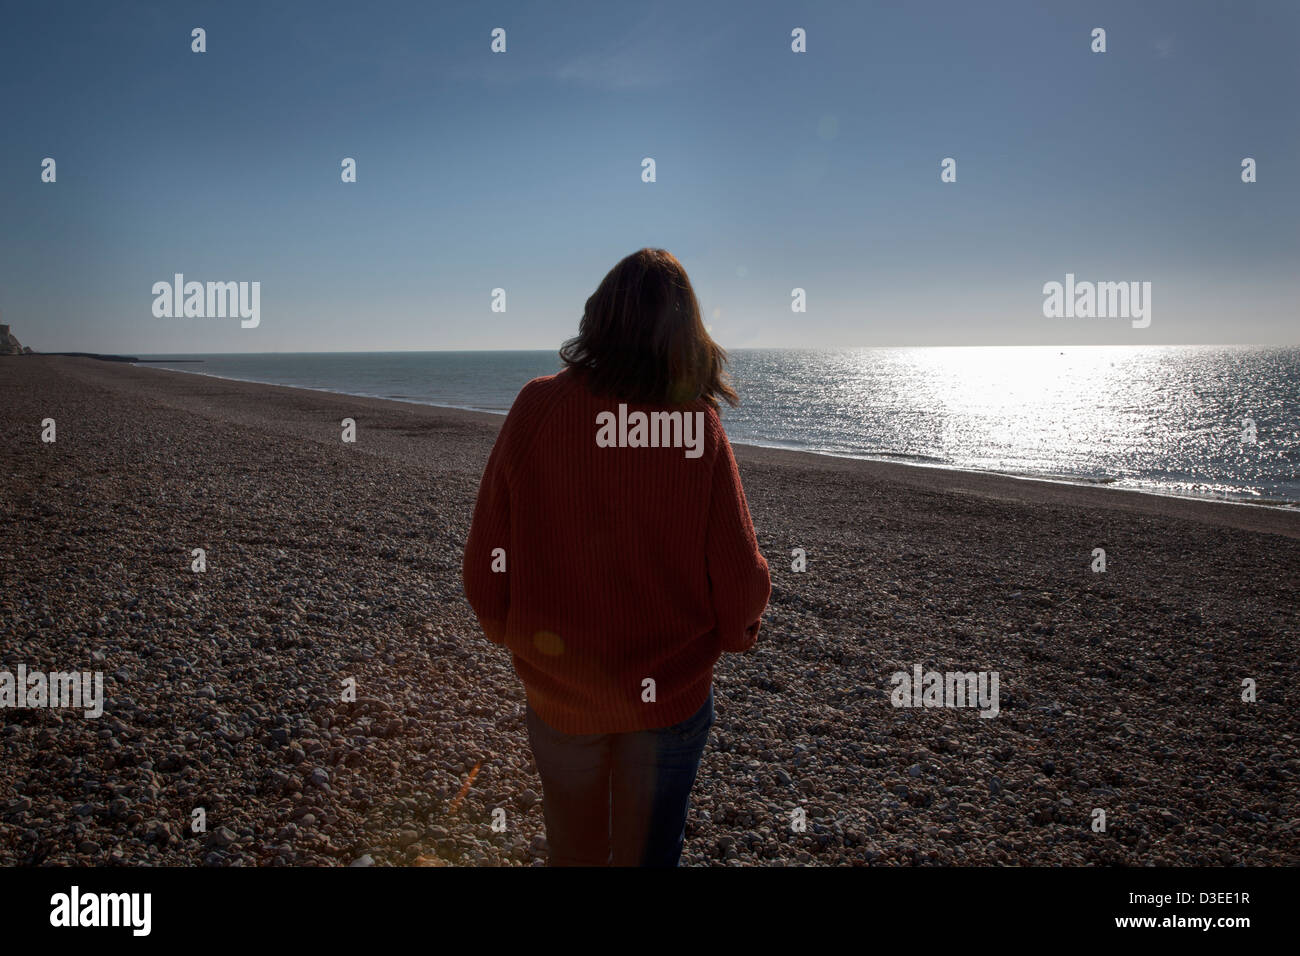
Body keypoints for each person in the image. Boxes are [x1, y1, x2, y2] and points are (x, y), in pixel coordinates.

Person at [463, 248, 771, 866]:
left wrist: (508, 630)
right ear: (687, 332)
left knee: (573, 851)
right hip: (670, 695)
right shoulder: (695, 427)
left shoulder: (537, 408)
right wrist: (738, 634)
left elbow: (487, 558)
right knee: (650, 856)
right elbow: (741, 575)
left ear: (597, 318)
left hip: (562, 688)